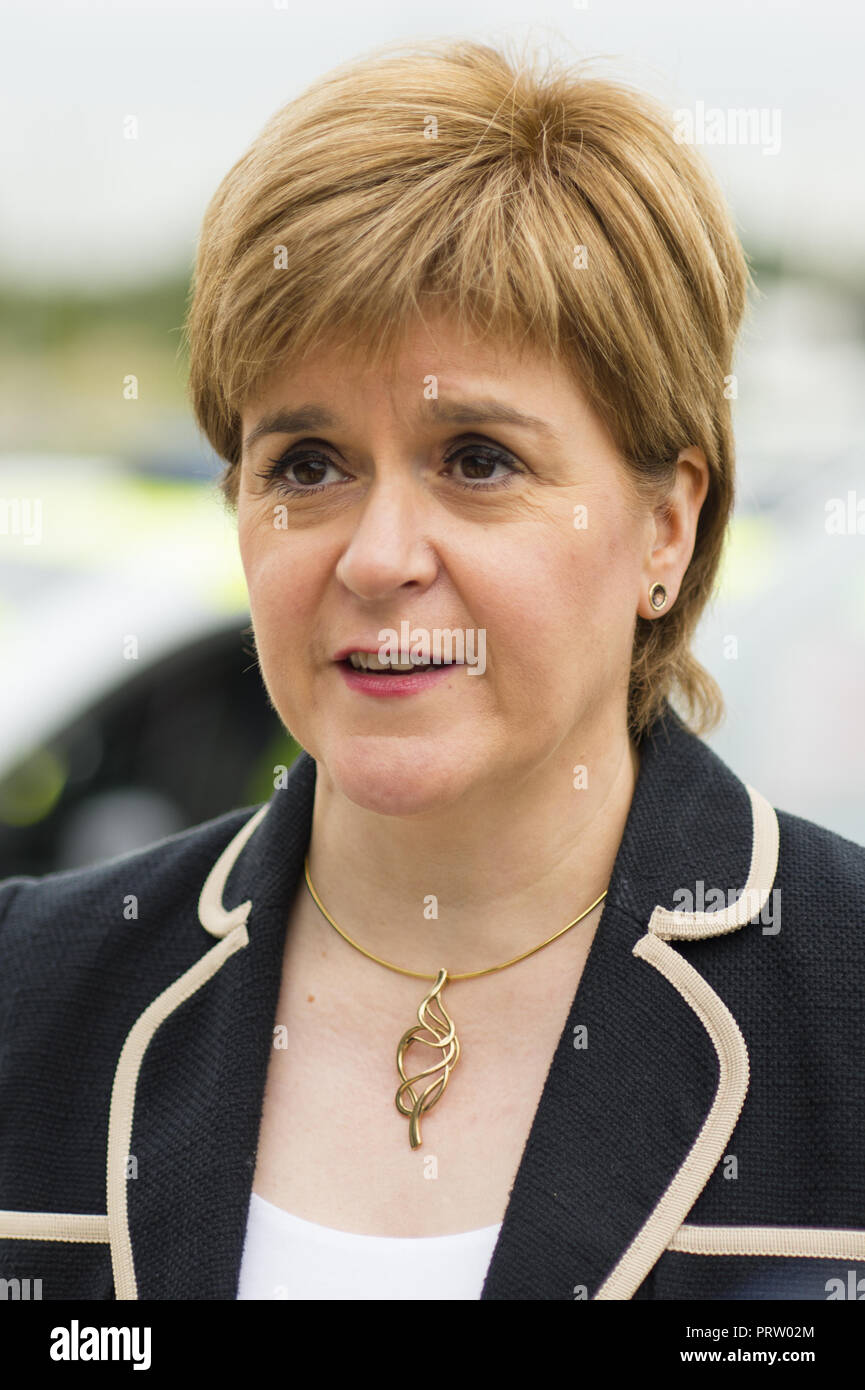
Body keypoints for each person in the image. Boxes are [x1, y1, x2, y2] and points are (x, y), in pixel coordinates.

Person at [1, 38, 864, 1303]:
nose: (379, 554)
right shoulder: (33, 992)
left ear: (666, 526)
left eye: (476, 459)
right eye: (306, 464)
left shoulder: (839, 1005)